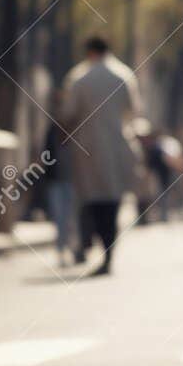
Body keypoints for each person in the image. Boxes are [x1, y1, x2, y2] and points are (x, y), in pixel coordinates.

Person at [60, 36, 141, 277]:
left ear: (89, 51)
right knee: (113, 202)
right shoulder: (124, 75)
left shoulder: (79, 78)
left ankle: (97, 246)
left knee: (93, 201)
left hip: (88, 148)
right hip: (117, 147)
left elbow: (68, 113)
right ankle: (109, 253)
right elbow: (134, 111)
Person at [39, 89, 76, 269]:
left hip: (74, 181)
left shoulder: (78, 129)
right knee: (60, 217)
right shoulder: (52, 131)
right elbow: (45, 156)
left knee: (71, 218)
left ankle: (76, 248)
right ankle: (62, 250)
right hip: (56, 181)